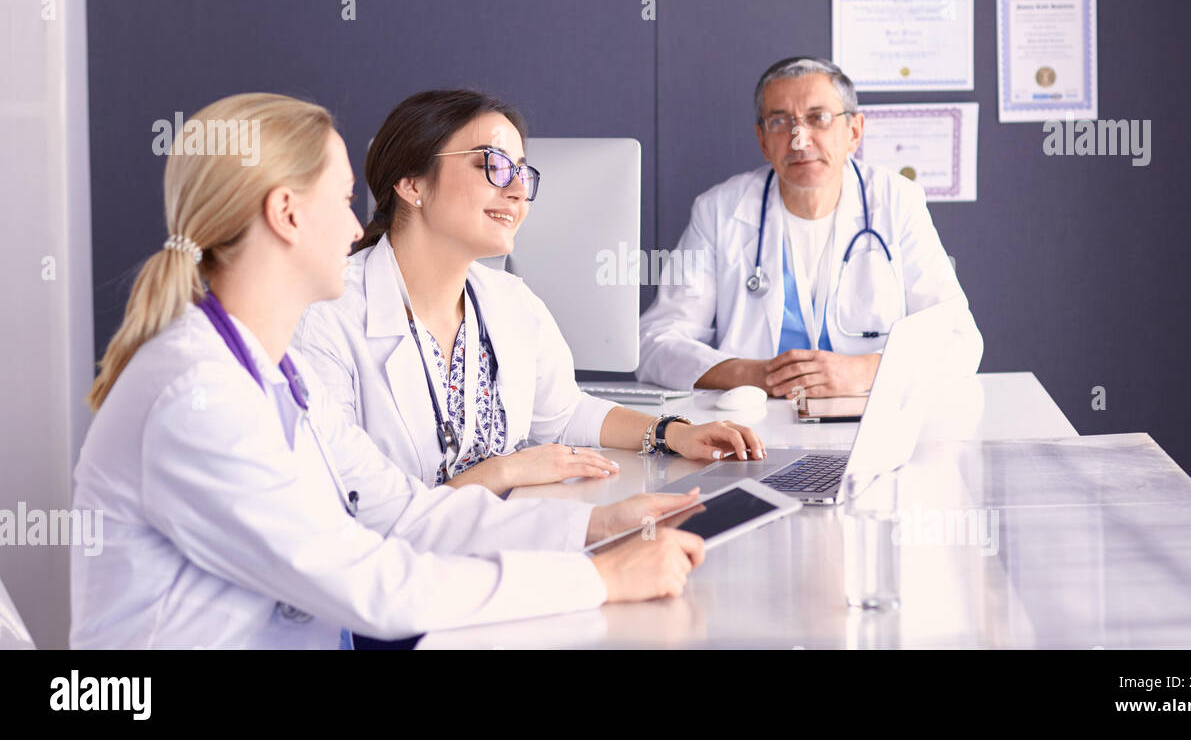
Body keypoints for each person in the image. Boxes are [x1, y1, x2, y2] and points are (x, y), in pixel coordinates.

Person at [72, 92, 706, 649]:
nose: (356, 225)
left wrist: (599, 524)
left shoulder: (275, 373)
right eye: (344, 199)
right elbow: (371, 584)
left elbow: (405, 514)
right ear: (287, 213)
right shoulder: (199, 397)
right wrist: (596, 579)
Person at [294, 89, 768, 500]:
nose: (519, 189)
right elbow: (345, 506)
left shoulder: (509, 301)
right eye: (494, 166)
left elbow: (563, 413)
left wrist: (671, 433)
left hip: (504, 542)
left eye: (522, 171)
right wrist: (504, 471)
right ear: (412, 183)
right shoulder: (324, 314)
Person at [636, 56, 982, 396]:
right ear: (762, 139)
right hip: (751, 426)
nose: (799, 139)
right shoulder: (719, 210)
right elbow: (655, 343)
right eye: (780, 122)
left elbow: (959, 340)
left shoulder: (897, 201)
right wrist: (752, 374)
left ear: (854, 131)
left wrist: (864, 371)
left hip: (871, 416)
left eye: (819, 118)